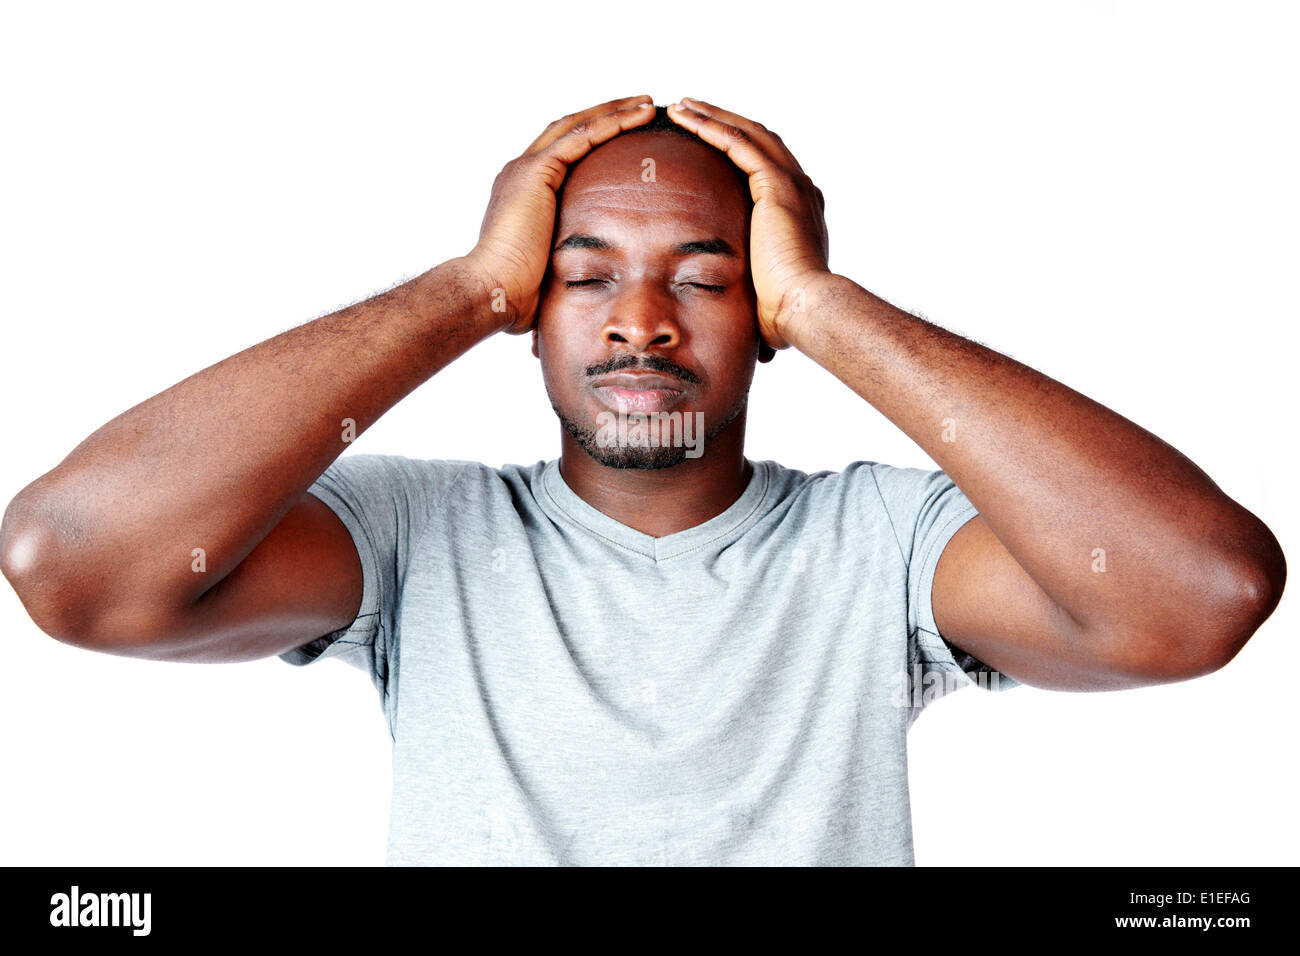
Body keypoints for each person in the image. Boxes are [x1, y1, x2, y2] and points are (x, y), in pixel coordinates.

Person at [0, 95, 1285, 865]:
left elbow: (1200, 592)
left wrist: (829, 309)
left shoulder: (879, 545)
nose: (641, 321)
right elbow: (75, 563)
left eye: (709, 279)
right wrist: (465, 291)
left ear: (762, 307)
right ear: (531, 304)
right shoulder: (415, 538)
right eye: (581, 273)